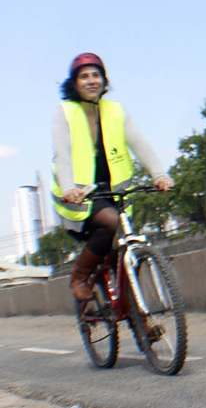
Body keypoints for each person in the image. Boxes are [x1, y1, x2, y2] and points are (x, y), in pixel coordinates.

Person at [51, 53, 174, 303]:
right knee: (112, 223)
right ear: (74, 83)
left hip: (113, 193)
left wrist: (160, 175)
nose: (91, 81)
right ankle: (79, 276)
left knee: (122, 255)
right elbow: (61, 154)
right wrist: (69, 187)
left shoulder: (116, 111)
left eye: (96, 75)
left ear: (104, 80)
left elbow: (140, 145)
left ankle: (137, 317)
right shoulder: (64, 112)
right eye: (84, 76)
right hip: (79, 197)